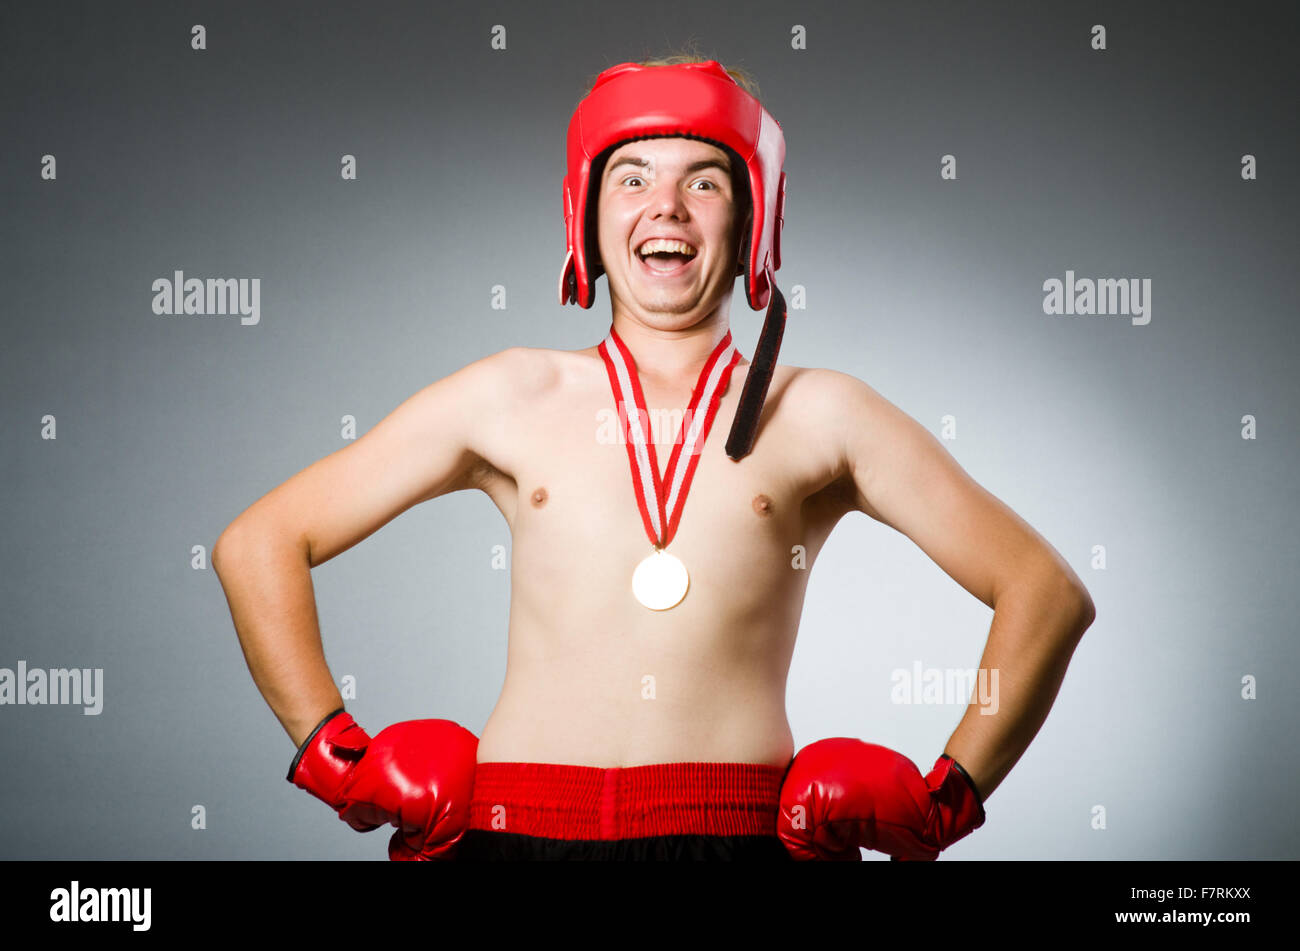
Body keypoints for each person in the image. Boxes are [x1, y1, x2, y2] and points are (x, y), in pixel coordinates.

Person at [212, 55, 1095, 862]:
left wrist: (946, 796)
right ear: (587, 214)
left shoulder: (824, 413)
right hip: (518, 831)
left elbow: (1046, 592)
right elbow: (259, 544)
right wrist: (339, 760)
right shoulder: (508, 395)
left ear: (753, 219)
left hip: (735, 837)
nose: (664, 207)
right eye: (631, 177)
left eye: (703, 181)